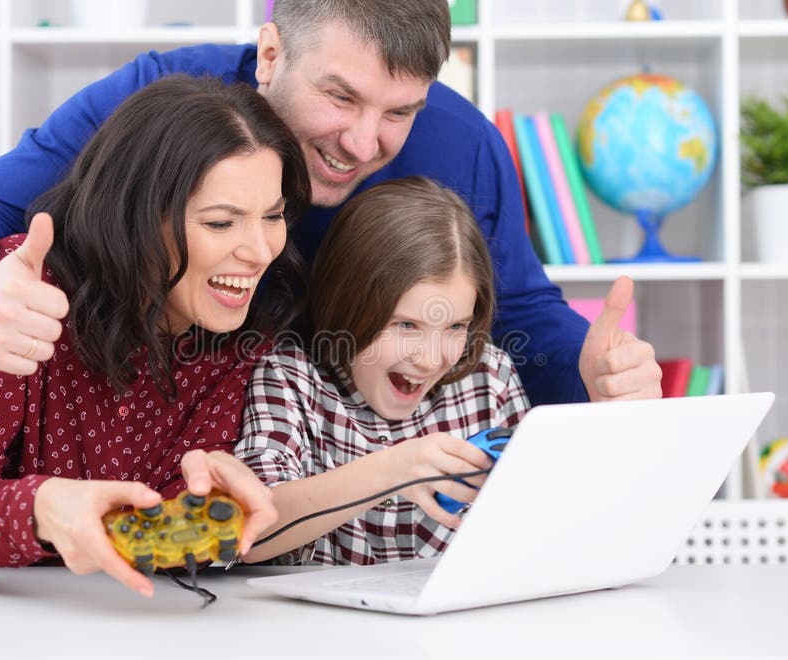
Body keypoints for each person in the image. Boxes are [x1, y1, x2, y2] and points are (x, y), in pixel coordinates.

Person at [0, 0, 661, 408]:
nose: (364, 143)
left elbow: (521, 313)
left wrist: (588, 367)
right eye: (340, 96)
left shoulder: (463, 144)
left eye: (400, 112)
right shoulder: (156, 106)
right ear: (269, 54)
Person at [0, 74, 312, 597]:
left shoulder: (243, 326)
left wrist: (212, 507)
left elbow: (174, 523)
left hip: (130, 620)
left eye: (272, 216)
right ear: (139, 217)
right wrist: (42, 510)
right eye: (221, 223)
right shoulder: (22, 292)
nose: (259, 251)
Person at [234, 177, 655, 565]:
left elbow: (543, 526)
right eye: (405, 325)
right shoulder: (290, 378)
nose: (431, 359)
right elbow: (252, 532)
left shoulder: (489, 378)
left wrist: (603, 431)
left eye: (455, 327)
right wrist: (393, 470)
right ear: (347, 304)